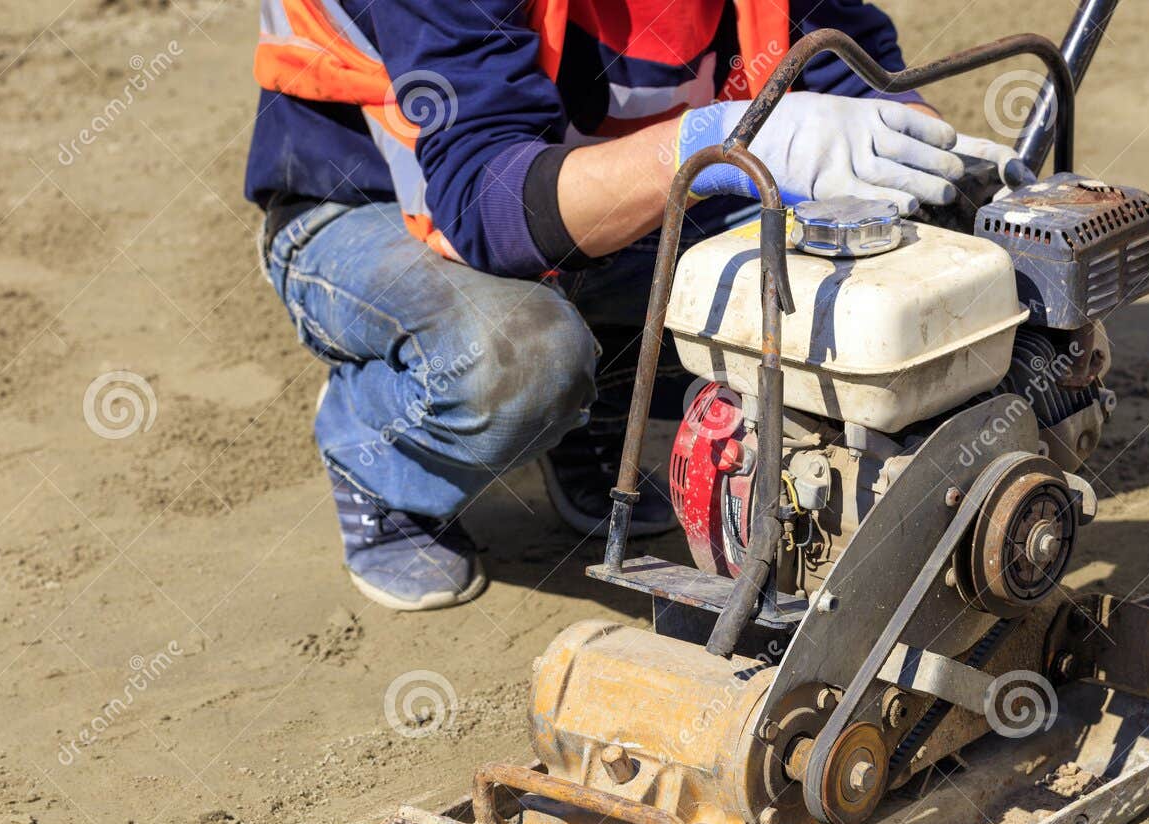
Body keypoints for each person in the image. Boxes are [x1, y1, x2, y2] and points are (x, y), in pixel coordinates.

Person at [246, 0, 1021, 610]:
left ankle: (600, 402)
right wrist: (711, 142)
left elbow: (833, 56)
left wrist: (932, 160)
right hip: (371, 202)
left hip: (595, 192)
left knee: (825, 272)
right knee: (519, 359)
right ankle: (376, 453)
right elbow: (484, 205)